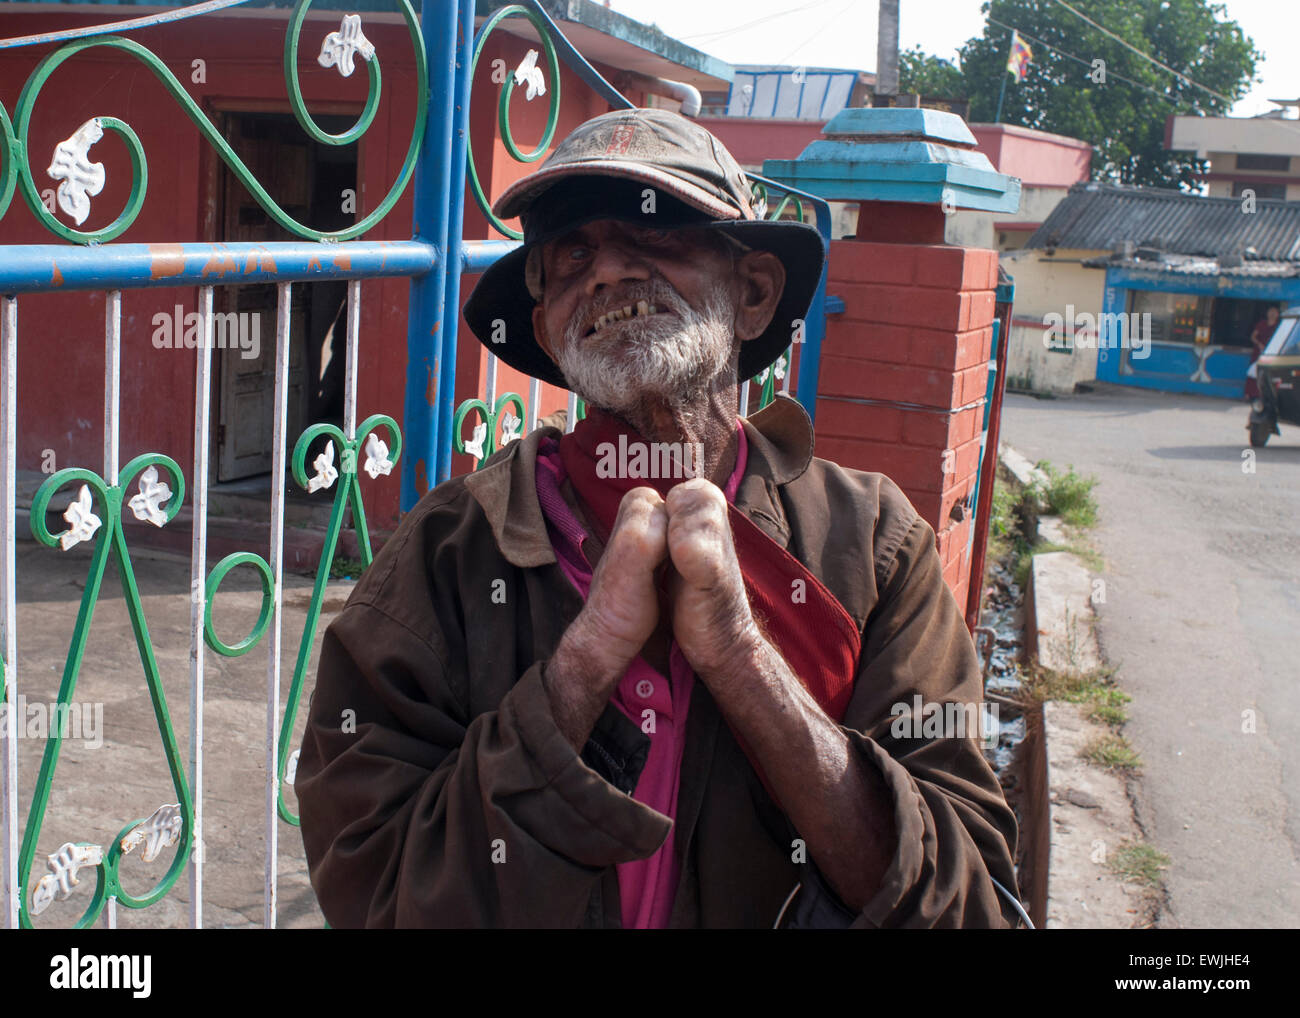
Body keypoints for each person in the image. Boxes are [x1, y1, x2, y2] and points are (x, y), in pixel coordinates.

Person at [295, 108, 1020, 929]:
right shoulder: (447, 553)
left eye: (658, 228)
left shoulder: (874, 546)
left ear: (753, 293)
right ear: (547, 327)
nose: (604, 271)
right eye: (571, 254)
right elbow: (374, 892)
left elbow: (969, 905)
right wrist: (586, 660)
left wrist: (743, 660)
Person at [1245, 305, 1279, 400]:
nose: (1272, 314)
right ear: (1267, 313)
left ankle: (1263, 396)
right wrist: (1259, 344)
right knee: (1253, 372)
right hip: (1258, 351)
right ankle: (1249, 394)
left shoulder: (1278, 326)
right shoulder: (1262, 324)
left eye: (1274, 312)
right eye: (1270, 311)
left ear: (1277, 314)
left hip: (1271, 353)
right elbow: (1253, 336)